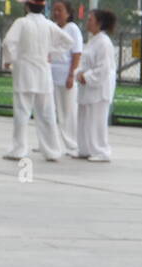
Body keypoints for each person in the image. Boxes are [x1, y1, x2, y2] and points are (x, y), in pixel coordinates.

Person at [2, 0, 75, 162]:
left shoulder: (22, 22)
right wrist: (51, 52)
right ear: (43, 7)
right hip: (43, 74)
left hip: (24, 73)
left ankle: (19, 149)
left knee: (22, 113)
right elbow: (68, 42)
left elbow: (8, 42)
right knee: (47, 115)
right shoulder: (48, 25)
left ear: (27, 6)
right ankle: (52, 151)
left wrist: (11, 59)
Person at [75, 9, 116, 162]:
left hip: (99, 88)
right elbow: (85, 62)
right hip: (87, 86)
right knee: (85, 119)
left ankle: (101, 151)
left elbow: (104, 68)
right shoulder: (93, 40)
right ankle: (85, 149)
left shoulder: (104, 43)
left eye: (90, 20)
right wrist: (79, 73)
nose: (87, 22)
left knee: (96, 120)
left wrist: (87, 77)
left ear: (99, 23)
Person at [49, 0, 83, 156]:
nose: (56, 13)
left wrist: (71, 75)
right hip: (51, 74)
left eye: (60, 10)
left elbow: (76, 54)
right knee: (52, 110)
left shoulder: (73, 29)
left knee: (68, 111)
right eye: (55, 10)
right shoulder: (53, 28)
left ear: (68, 13)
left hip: (66, 75)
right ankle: (53, 143)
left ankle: (72, 144)